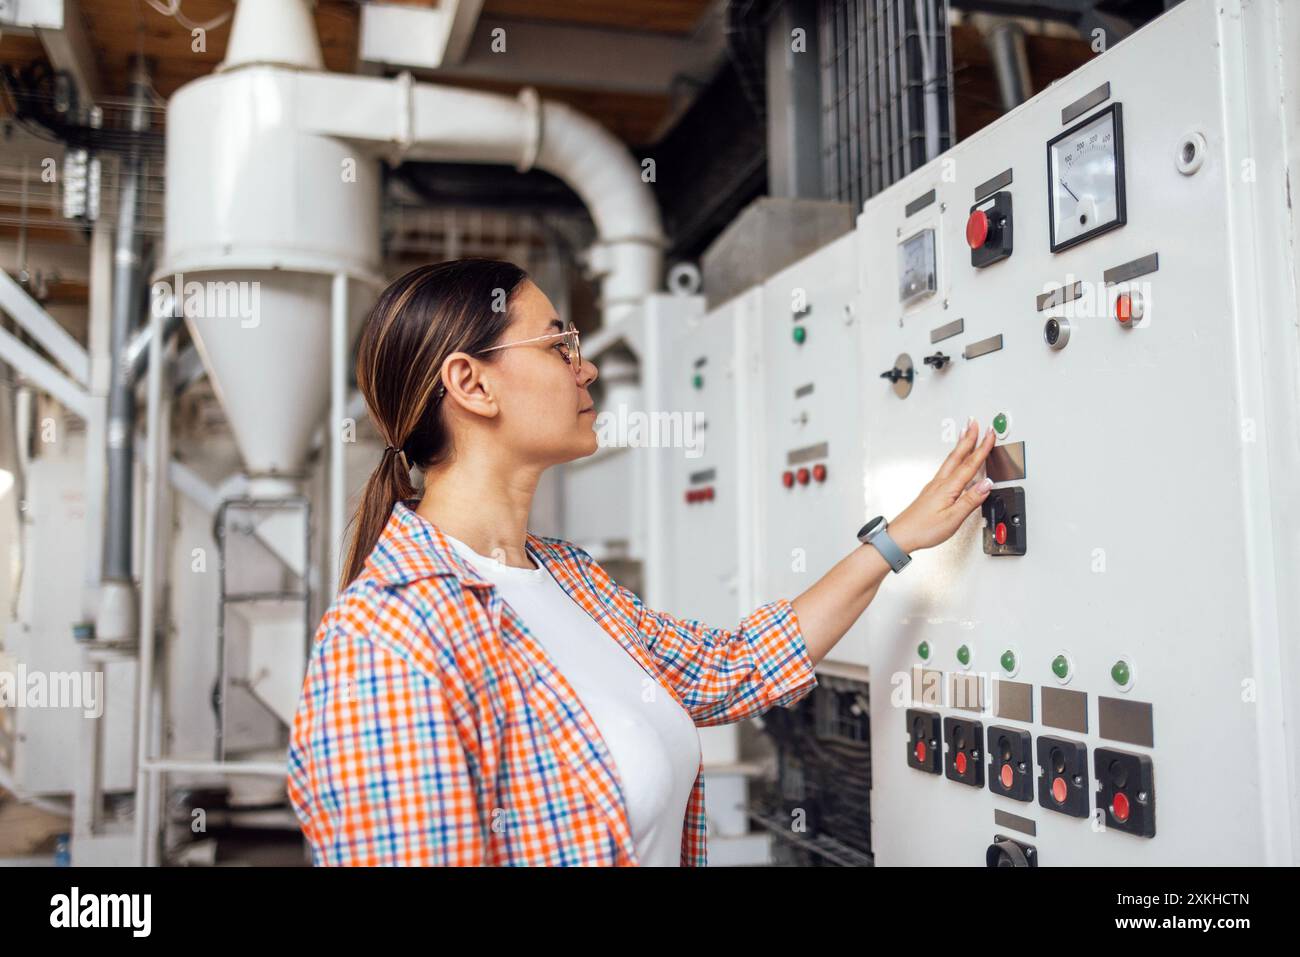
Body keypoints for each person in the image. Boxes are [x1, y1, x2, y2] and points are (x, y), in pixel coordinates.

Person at [286, 258, 997, 866]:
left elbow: (734, 667)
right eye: (558, 343)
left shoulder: (565, 578)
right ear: (471, 384)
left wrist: (897, 538)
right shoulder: (386, 642)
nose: (585, 365)